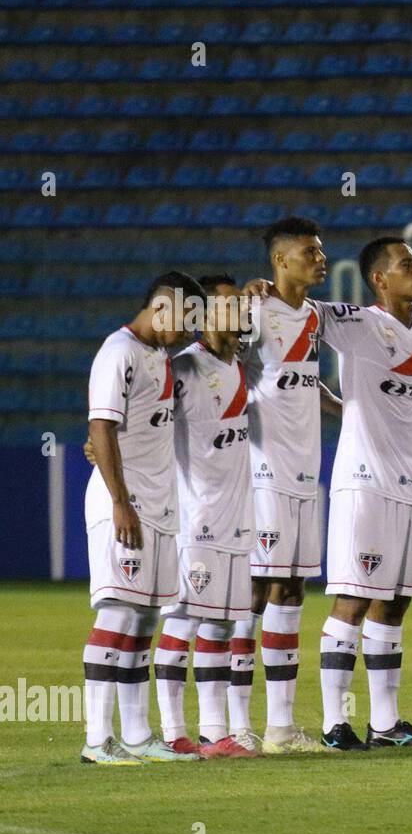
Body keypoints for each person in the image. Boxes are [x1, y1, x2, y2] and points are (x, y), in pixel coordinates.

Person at [315, 238, 412, 749]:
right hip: (365, 482)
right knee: (355, 599)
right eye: (407, 264)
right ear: (380, 280)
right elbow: (305, 312)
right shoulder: (359, 324)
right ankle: (332, 724)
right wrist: (267, 291)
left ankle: (385, 724)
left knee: (396, 604)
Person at [80, 271, 204, 764]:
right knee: (118, 614)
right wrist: (120, 501)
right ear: (160, 307)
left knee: (145, 620)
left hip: (158, 507)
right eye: (185, 317)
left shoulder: (160, 357)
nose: (191, 329)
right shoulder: (120, 352)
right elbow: (101, 426)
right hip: (124, 506)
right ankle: (96, 740)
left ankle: (136, 735)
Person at [239, 217, 339, 754]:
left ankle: (279, 728)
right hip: (265, 470)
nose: (320, 259)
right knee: (259, 591)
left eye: (320, 251)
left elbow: (301, 374)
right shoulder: (254, 311)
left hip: (305, 470)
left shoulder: (315, 316)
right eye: (309, 251)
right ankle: (232, 724)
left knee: (291, 589)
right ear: (279, 260)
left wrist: (341, 407)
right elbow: (215, 356)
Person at [150, 275, 260, 758]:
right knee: (184, 621)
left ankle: (216, 732)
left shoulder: (239, 364)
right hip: (196, 520)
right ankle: (174, 731)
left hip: (237, 519)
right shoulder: (183, 369)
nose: (240, 311)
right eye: (230, 304)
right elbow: (141, 420)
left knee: (222, 627)